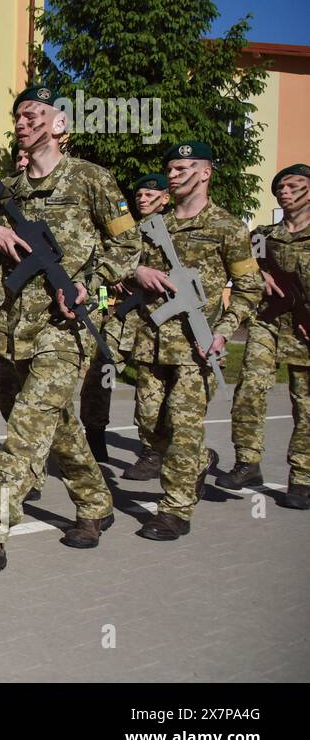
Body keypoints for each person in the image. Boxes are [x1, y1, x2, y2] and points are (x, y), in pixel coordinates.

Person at [0, 87, 135, 577]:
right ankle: (94, 502)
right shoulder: (6, 190)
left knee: (25, 432)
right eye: (19, 115)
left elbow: (129, 246)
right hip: (9, 330)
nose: (23, 122)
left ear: (60, 125)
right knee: (54, 424)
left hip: (63, 329)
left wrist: (88, 284)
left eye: (35, 114)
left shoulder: (91, 180)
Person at [127, 142, 262, 540]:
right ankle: (200, 461)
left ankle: (175, 510)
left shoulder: (227, 227)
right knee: (151, 424)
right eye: (170, 167)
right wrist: (138, 272)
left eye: (184, 167)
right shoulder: (154, 224)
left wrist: (224, 331)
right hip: (151, 340)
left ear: (205, 173)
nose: (174, 173)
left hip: (195, 347)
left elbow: (249, 287)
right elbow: (117, 260)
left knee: (185, 429)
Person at [220, 164, 310, 509]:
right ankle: (247, 461)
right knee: (250, 387)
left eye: (294, 185)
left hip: (304, 330)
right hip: (268, 322)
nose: (284, 191)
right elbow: (240, 265)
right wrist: (259, 273)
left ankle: (301, 478)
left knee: (305, 405)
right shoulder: (262, 236)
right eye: (280, 187)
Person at [82, 172, 170, 466]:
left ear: (165, 199)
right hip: (119, 318)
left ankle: (152, 449)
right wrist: (109, 290)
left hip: (153, 320)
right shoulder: (124, 228)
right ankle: (95, 438)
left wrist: (131, 273)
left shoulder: (173, 231)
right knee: (99, 377)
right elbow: (104, 262)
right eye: (140, 195)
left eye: (150, 196)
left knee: (150, 388)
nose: (143, 200)